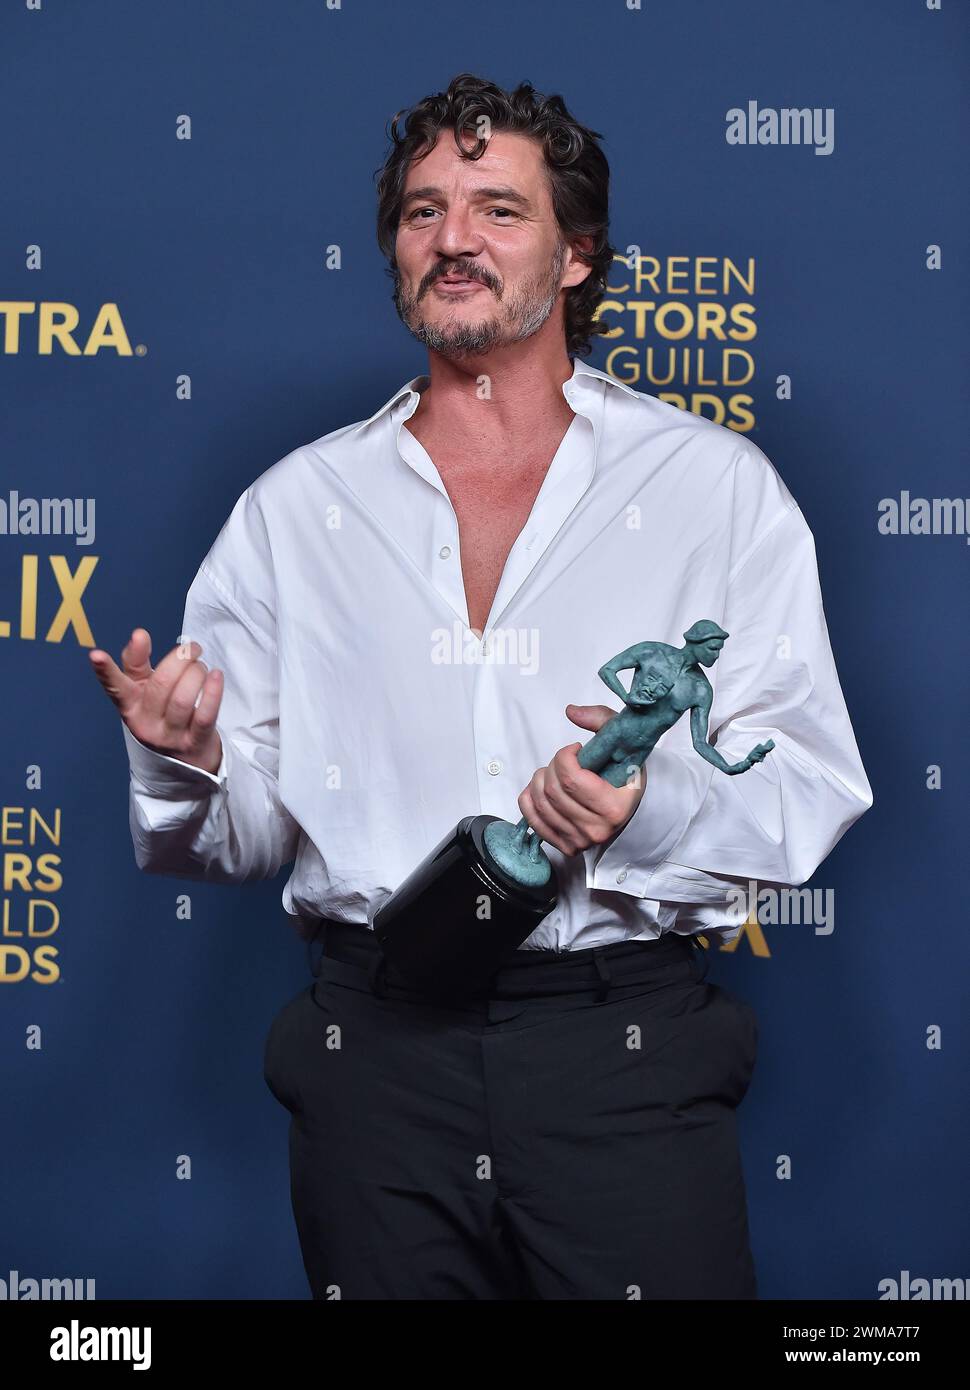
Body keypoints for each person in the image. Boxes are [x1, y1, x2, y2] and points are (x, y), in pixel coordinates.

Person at [89, 73, 873, 1301]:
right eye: (422, 212)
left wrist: (643, 807)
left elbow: (810, 787)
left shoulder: (713, 490)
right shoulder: (295, 509)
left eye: (497, 209)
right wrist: (185, 761)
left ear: (576, 256)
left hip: (621, 1059)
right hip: (372, 1059)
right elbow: (234, 841)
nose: (452, 238)